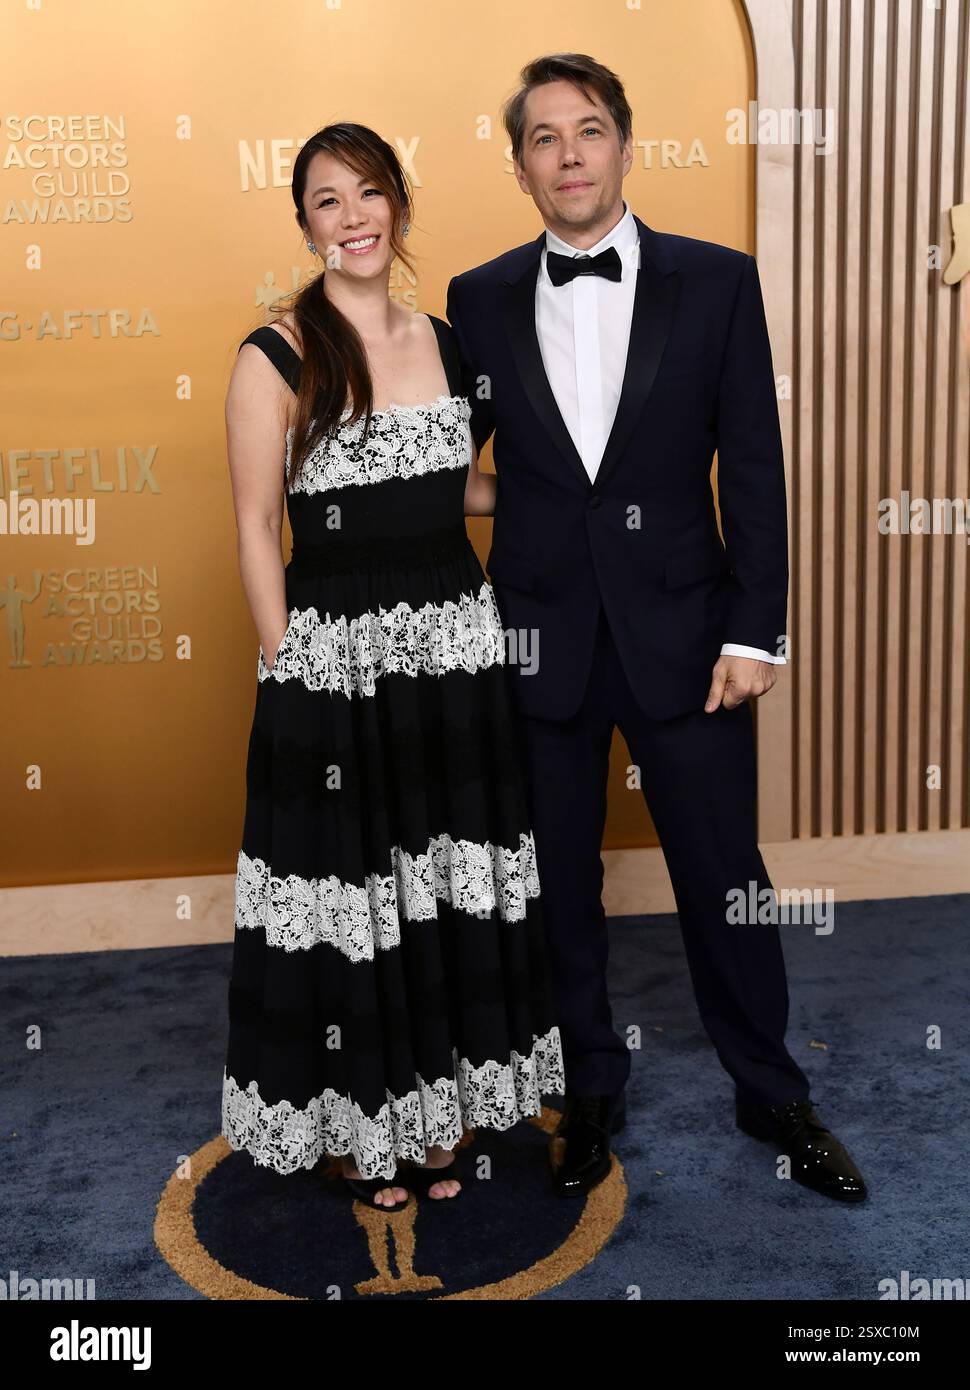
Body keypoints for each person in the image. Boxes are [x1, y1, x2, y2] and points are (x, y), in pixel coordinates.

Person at [446, 53, 868, 1203]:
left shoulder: (718, 281)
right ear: (520, 162)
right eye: (544, 137)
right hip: (539, 639)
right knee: (556, 884)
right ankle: (586, 1091)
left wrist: (757, 630)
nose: (569, 153)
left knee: (723, 874)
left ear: (624, 145)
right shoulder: (477, 300)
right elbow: (448, 460)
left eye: (588, 130)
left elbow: (758, 469)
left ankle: (769, 1087)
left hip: (690, 637)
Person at [221, 122, 565, 1209]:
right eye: (328, 201)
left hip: (451, 648)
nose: (354, 216)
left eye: (370, 193)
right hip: (340, 663)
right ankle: (365, 1127)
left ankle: (437, 1120)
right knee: (357, 898)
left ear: (399, 207)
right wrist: (287, 669)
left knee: (435, 889)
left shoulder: (452, 340)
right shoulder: (274, 352)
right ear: (305, 224)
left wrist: (572, 497)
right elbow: (253, 521)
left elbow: (454, 488)